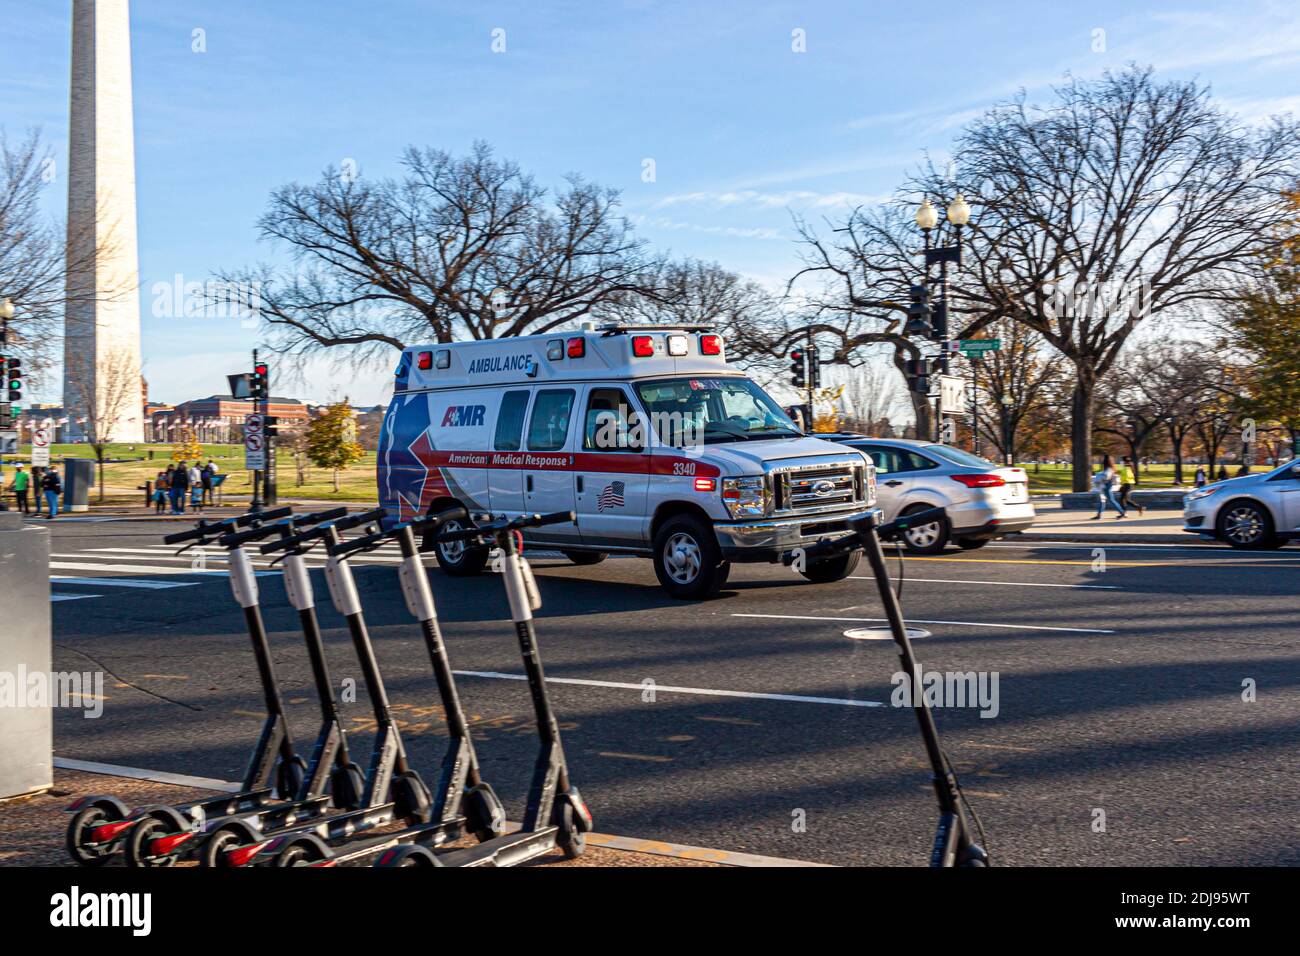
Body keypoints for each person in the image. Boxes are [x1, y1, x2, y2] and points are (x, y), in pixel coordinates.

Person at [1090, 454, 1125, 520]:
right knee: (1102, 500)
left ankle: (1122, 513)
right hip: (1105, 486)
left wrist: (1100, 476)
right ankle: (1099, 515)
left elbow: (1106, 477)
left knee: (1111, 500)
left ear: (1106, 461)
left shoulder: (1109, 469)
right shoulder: (1110, 468)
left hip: (1106, 486)